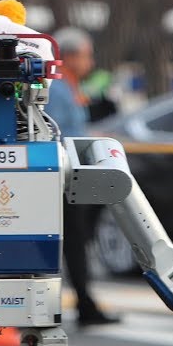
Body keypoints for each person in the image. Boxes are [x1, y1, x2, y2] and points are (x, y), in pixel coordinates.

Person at [48, 25, 122, 328]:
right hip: (63, 179)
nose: (90, 62)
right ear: (69, 57)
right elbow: (56, 132)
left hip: (75, 177)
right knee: (73, 241)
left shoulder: (71, 88)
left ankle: (84, 302)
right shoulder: (57, 90)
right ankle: (82, 304)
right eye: (86, 55)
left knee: (77, 241)